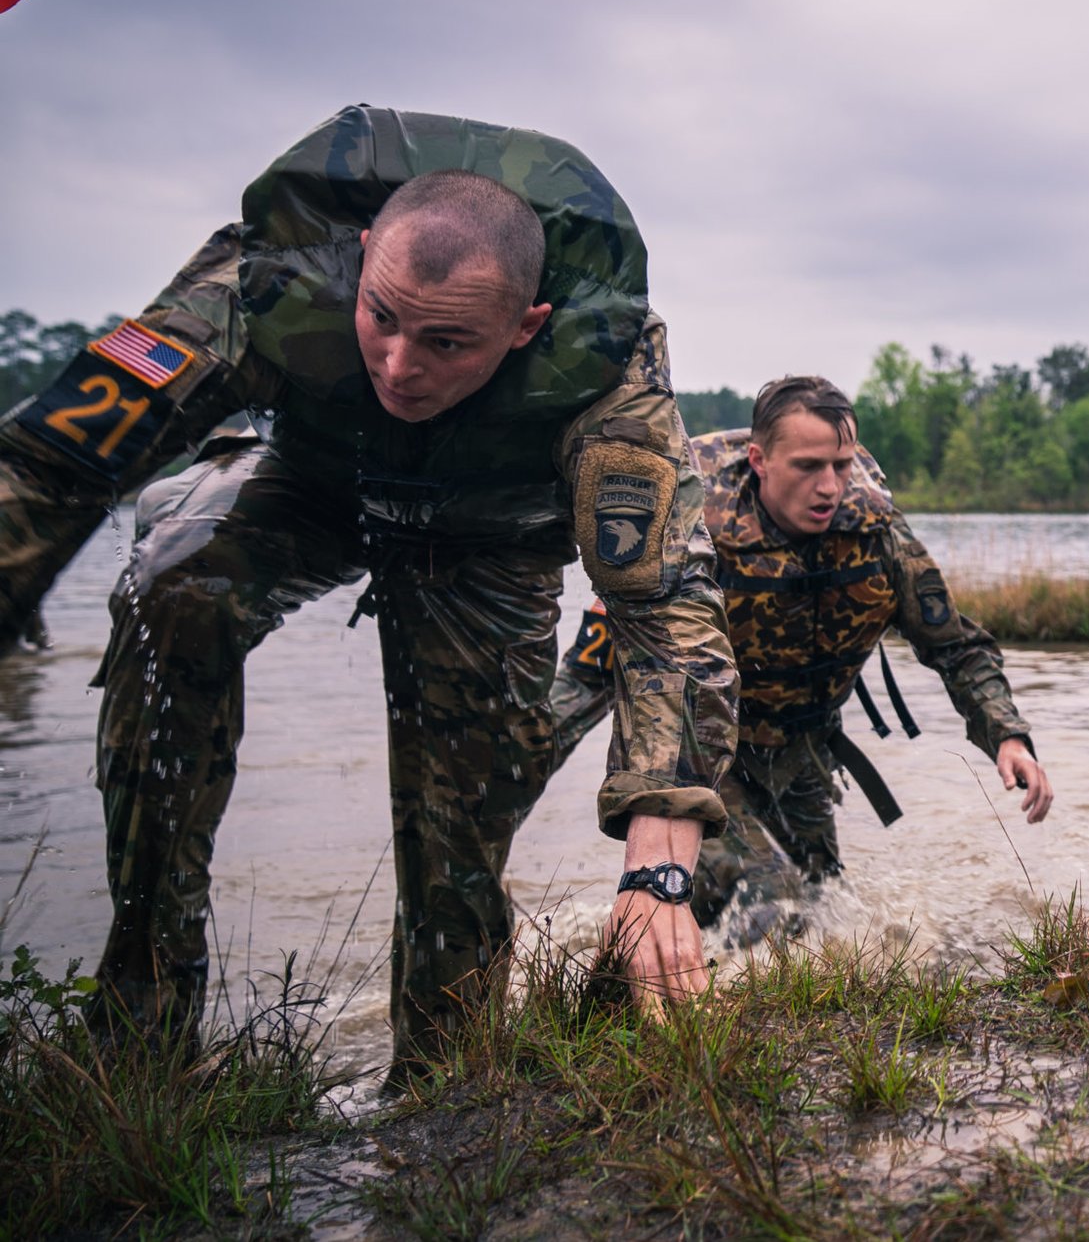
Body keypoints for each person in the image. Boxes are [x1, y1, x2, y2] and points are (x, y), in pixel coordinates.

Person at [0, 107, 737, 1070]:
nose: (398, 365)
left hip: (488, 540)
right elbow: (56, 460)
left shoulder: (611, 380)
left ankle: (441, 1078)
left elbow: (667, 605)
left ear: (527, 327)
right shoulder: (259, 283)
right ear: (357, 265)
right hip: (308, 481)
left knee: (457, 831)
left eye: (446, 342)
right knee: (170, 584)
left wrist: (659, 855)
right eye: (382, 319)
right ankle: (142, 1023)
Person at [548, 375, 1052, 932]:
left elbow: (956, 646)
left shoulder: (879, 535)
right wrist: (523, 765)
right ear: (760, 461)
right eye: (808, 466)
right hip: (701, 753)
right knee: (767, 892)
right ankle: (657, 987)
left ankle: (695, 980)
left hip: (801, 752)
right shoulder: (688, 533)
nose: (829, 486)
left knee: (820, 902)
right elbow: (594, 669)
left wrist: (1007, 735)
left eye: (841, 464)